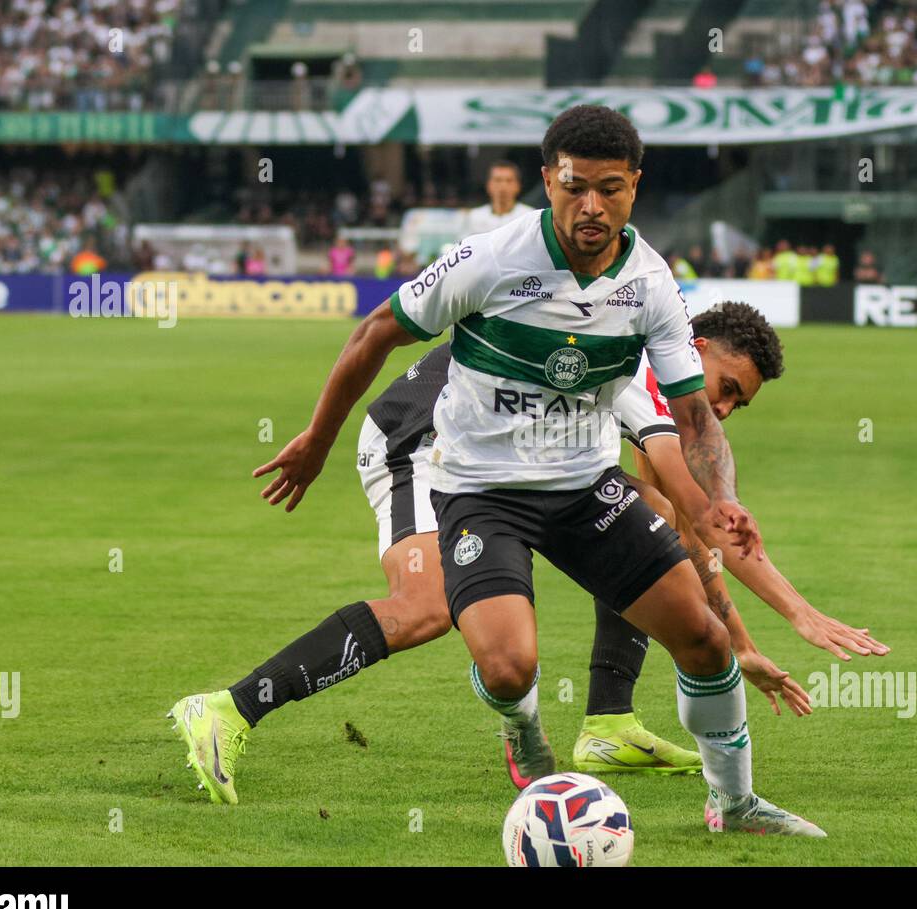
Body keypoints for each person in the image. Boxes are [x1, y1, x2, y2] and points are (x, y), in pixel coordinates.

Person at [171, 105, 842, 836]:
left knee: (678, 579)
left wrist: (726, 562)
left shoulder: (650, 294)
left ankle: (672, 763)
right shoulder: (495, 260)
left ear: (635, 187)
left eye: (610, 189)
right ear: (548, 182)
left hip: (576, 482)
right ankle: (237, 707)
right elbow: (376, 332)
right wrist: (316, 439)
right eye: (575, 187)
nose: (592, 206)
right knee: (442, 619)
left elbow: (691, 462)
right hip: (435, 454)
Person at [462, 161, 533, 237]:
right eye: (498, 180)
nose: (503, 186)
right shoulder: (474, 217)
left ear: (518, 186)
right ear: (488, 185)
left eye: (509, 181)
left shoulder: (529, 216)